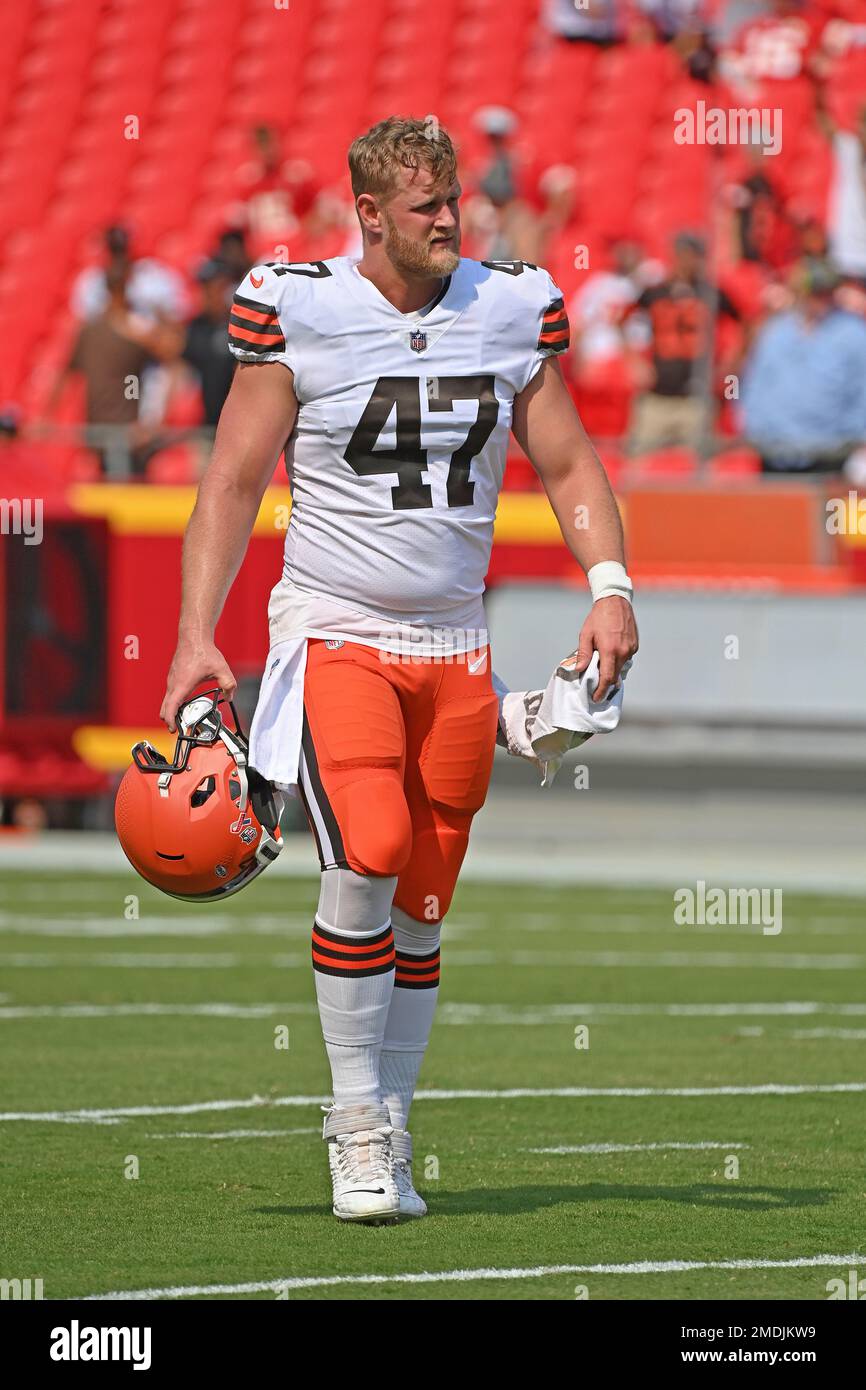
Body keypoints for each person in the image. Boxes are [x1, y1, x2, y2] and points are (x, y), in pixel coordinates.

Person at [159, 116, 638, 1224]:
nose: (445, 221)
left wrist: (608, 580)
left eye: (450, 201)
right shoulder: (302, 305)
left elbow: (564, 457)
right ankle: (353, 1124)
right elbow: (232, 480)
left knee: (422, 901)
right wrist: (196, 633)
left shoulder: (510, 304)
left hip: (454, 639)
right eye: (421, 207)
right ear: (367, 213)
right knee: (367, 848)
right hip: (337, 626)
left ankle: (395, 1124)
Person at [740, 258, 866, 472]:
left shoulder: (853, 333)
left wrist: (854, 437)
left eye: (826, 292)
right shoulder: (775, 331)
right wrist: (752, 424)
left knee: (835, 505)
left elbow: (861, 390)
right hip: (774, 452)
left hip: (831, 454)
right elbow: (748, 382)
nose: (821, 299)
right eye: (814, 292)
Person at [627, 231, 740, 453]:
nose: (688, 262)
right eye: (684, 255)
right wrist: (634, 361)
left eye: (693, 256)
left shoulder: (710, 294)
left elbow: (745, 324)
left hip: (695, 398)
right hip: (657, 396)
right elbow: (620, 320)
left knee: (697, 470)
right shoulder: (655, 293)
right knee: (637, 462)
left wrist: (731, 364)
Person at [180, 259, 236, 427]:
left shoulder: (241, 326)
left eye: (216, 287)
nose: (209, 294)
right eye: (205, 288)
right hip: (203, 426)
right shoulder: (196, 327)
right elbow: (184, 369)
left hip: (237, 425)